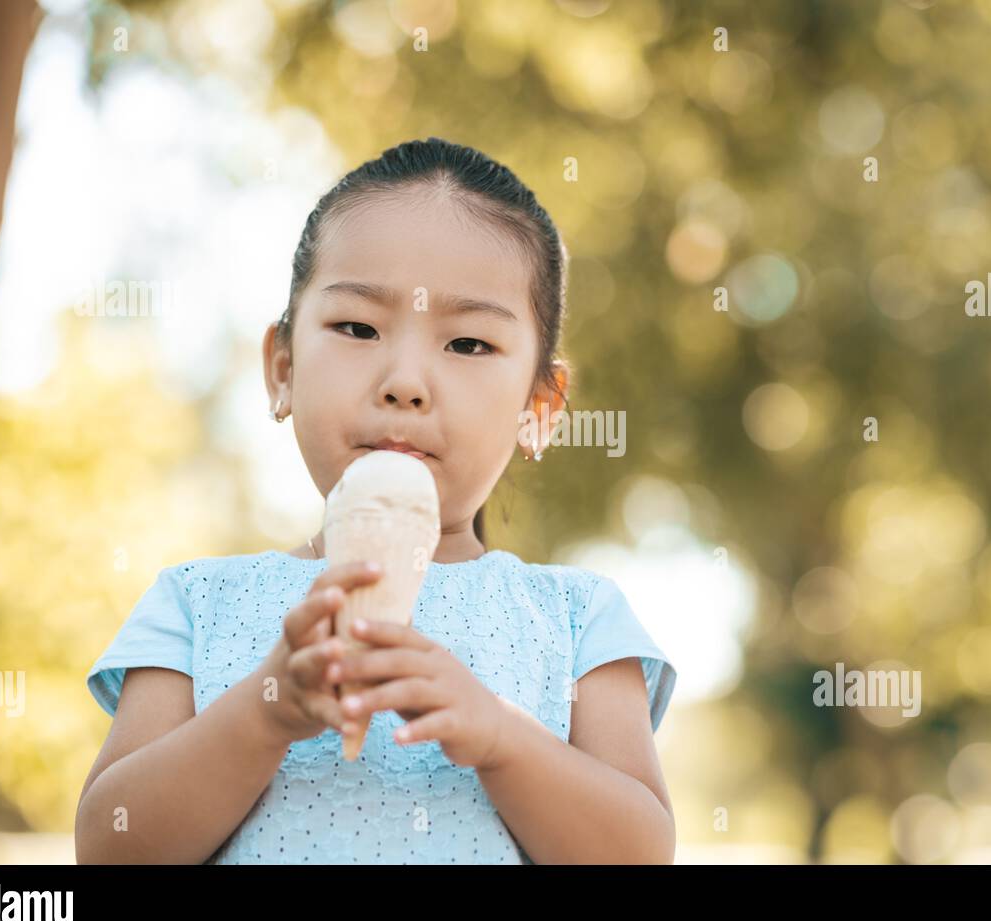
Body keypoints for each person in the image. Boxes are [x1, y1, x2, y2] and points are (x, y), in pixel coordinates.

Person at [76, 138, 678, 864]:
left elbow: (639, 852)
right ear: (283, 368)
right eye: (358, 328)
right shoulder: (199, 605)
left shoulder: (579, 623)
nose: (405, 381)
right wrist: (264, 712)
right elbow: (110, 848)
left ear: (540, 408)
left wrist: (499, 736)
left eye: (469, 344)